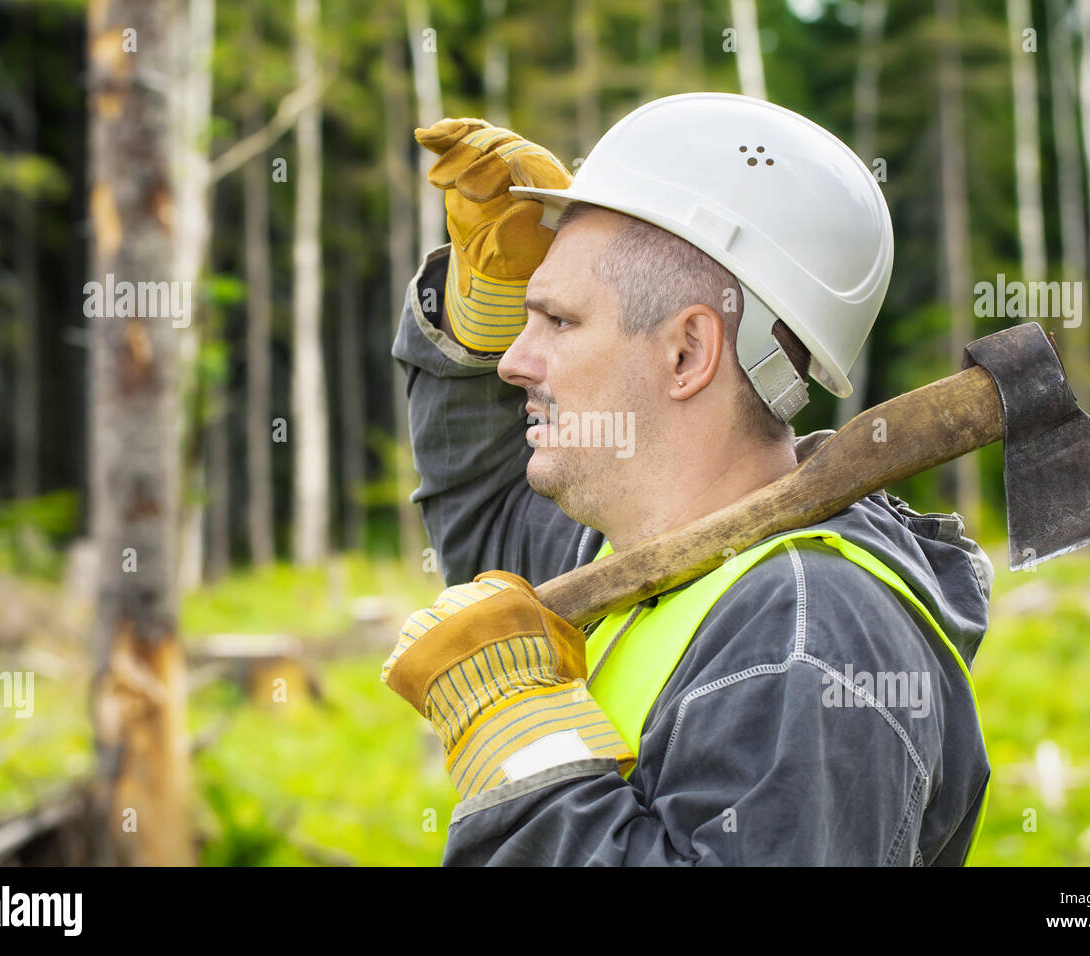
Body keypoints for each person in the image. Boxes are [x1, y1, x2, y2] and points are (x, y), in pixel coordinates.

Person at [382, 93, 993, 866]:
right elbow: (486, 525)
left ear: (687, 354)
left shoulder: (807, 641)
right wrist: (485, 302)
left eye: (559, 322)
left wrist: (521, 741)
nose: (512, 361)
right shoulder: (629, 558)